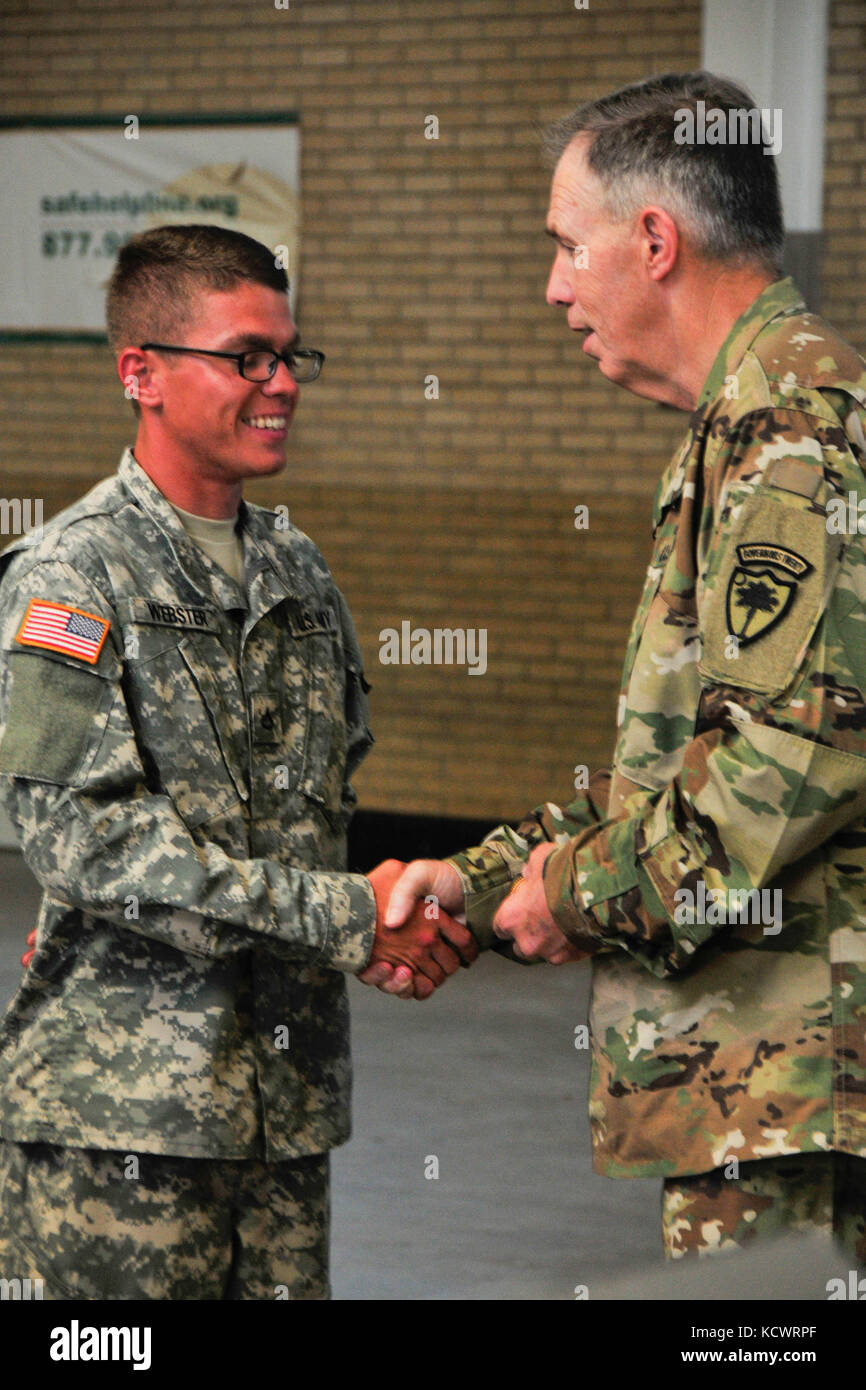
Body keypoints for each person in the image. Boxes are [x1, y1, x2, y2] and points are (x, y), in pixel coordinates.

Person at [361, 72, 866, 1262]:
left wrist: (565, 895)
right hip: (767, 1079)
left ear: (652, 241)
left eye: (563, 247)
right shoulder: (744, 424)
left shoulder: (791, 431)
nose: (552, 288)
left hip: (800, 1089)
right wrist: (483, 887)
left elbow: (779, 768)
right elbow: (683, 768)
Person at [0, 223, 476, 1300]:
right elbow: (91, 843)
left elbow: (318, 810)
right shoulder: (72, 575)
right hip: (122, 1129)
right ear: (143, 373)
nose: (280, 384)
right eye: (244, 356)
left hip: (285, 1111)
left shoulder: (298, 574)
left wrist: (396, 922)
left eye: (289, 355)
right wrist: (355, 919)